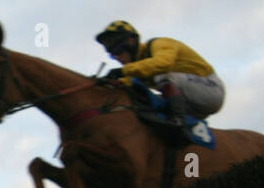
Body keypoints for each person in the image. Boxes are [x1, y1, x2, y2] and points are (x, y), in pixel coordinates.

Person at [94, 20, 226, 124]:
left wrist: (124, 71)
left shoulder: (159, 44)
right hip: (192, 104)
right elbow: (125, 83)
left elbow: (164, 63)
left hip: (212, 90)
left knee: (163, 75)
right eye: (112, 55)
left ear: (131, 41)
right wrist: (104, 83)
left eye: (118, 51)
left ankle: (177, 121)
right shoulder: (139, 66)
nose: (117, 57)